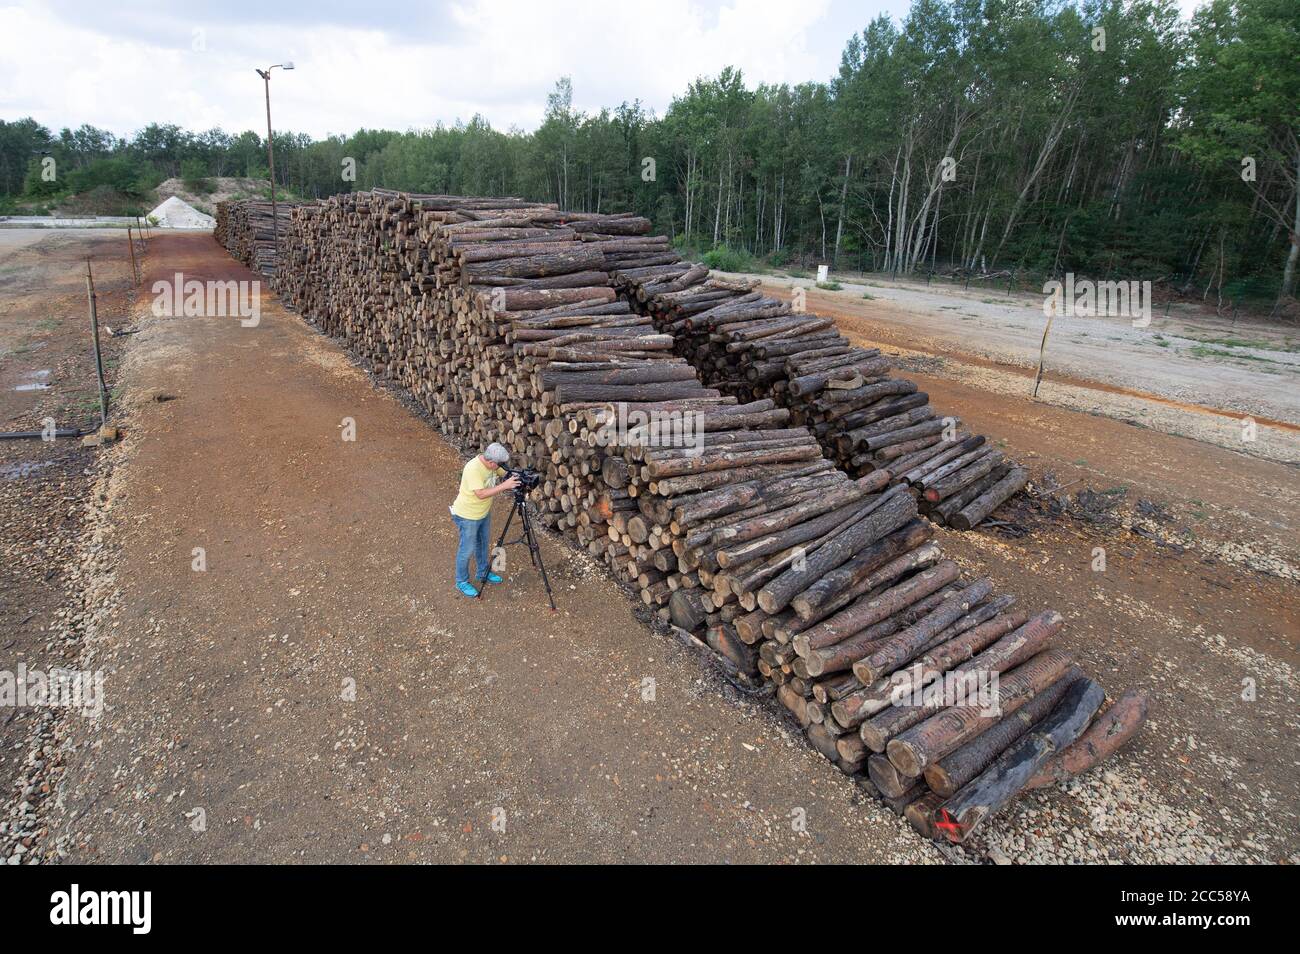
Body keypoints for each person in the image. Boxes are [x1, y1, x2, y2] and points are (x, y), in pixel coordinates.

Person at [450, 442, 518, 597]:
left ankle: (482, 572)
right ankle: (461, 581)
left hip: (482, 513)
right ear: (491, 462)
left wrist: (514, 476)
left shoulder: (493, 465)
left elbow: (504, 473)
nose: (501, 467)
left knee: (482, 544)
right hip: (467, 516)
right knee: (466, 550)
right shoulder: (473, 468)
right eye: (499, 464)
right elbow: (480, 494)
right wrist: (505, 486)